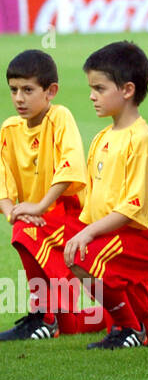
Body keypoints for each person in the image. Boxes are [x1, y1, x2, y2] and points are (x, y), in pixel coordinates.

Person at [63, 43, 148, 349]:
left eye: (99, 88)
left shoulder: (142, 141)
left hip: (140, 237)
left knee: (82, 257)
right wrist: (82, 229)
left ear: (127, 90)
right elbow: (95, 200)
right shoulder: (101, 137)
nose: (91, 96)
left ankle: (127, 328)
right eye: (91, 88)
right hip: (113, 233)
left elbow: (133, 208)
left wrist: (88, 234)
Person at [0, 49, 102, 340]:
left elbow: (71, 170)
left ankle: (41, 315)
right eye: (14, 90)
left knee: (24, 230)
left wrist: (38, 207)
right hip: (44, 221)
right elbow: (3, 183)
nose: (19, 98)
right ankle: (127, 315)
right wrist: (12, 211)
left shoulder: (59, 117)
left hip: (71, 219)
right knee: (73, 325)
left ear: (51, 91)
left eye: (28, 90)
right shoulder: (9, 129)